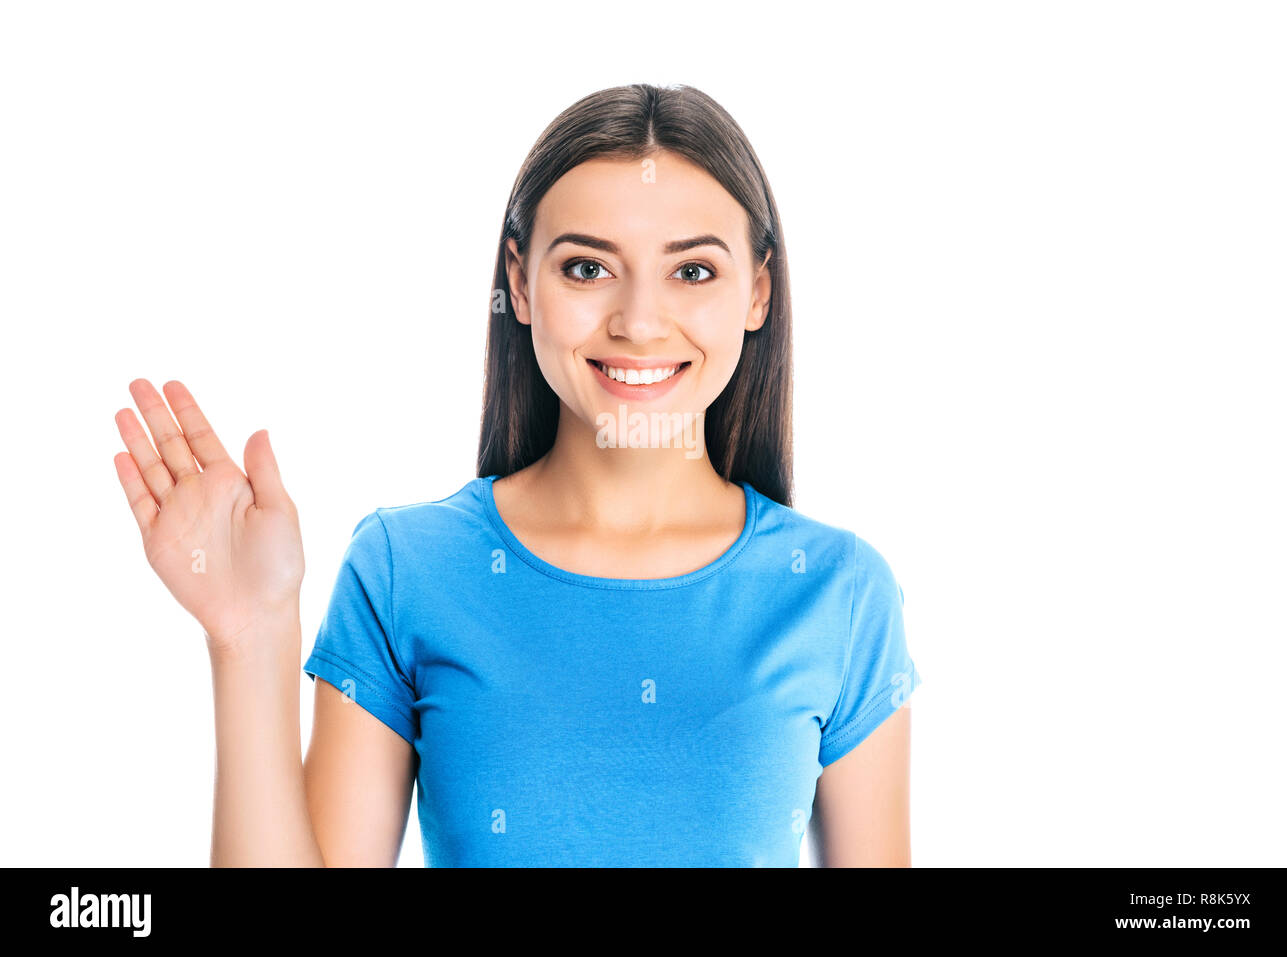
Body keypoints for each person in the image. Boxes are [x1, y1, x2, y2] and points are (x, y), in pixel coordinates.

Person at [112, 83, 921, 867]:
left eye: (694, 271)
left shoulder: (840, 592)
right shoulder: (406, 569)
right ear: (519, 282)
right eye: (586, 269)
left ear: (759, 291)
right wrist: (248, 636)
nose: (639, 321)